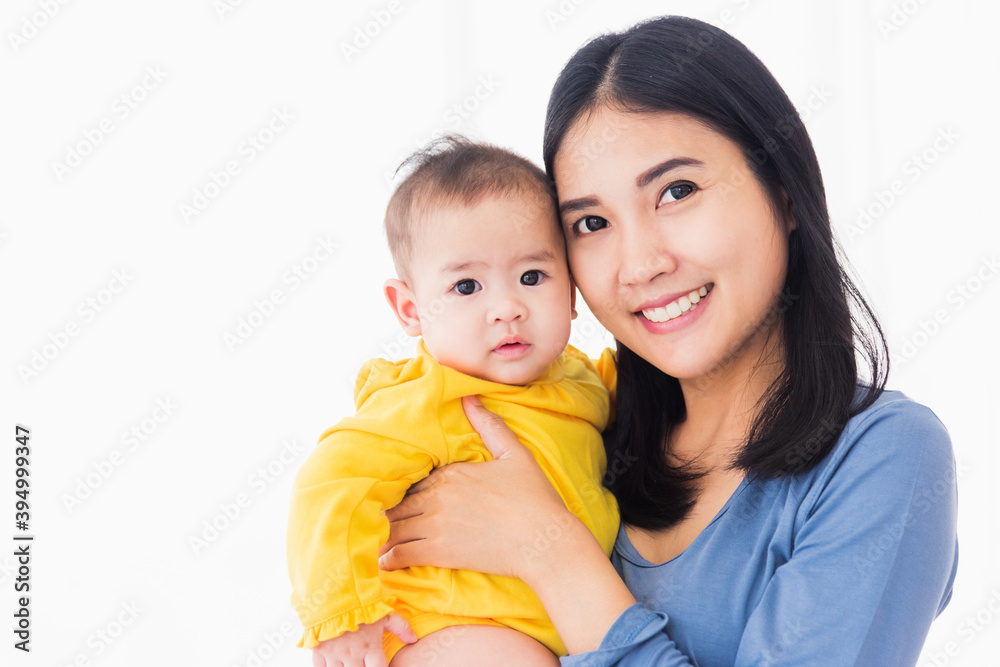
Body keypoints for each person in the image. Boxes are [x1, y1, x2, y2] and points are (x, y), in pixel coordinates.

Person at [378, 16, 959, 665]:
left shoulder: (883, 457)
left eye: (676, 191)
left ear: (785, 191)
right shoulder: (575, 423)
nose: (640, 263)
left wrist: (550, 548)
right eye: (592, 222)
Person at [286, 136, 620, 667]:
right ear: (410, 309)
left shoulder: (581, 381)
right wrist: (343, 612)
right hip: (446, 630)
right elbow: (330, 486)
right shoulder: (428, 399)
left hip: (554, 629)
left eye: (532, 277)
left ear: (573, 290)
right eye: (467, 287)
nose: (506, 308)